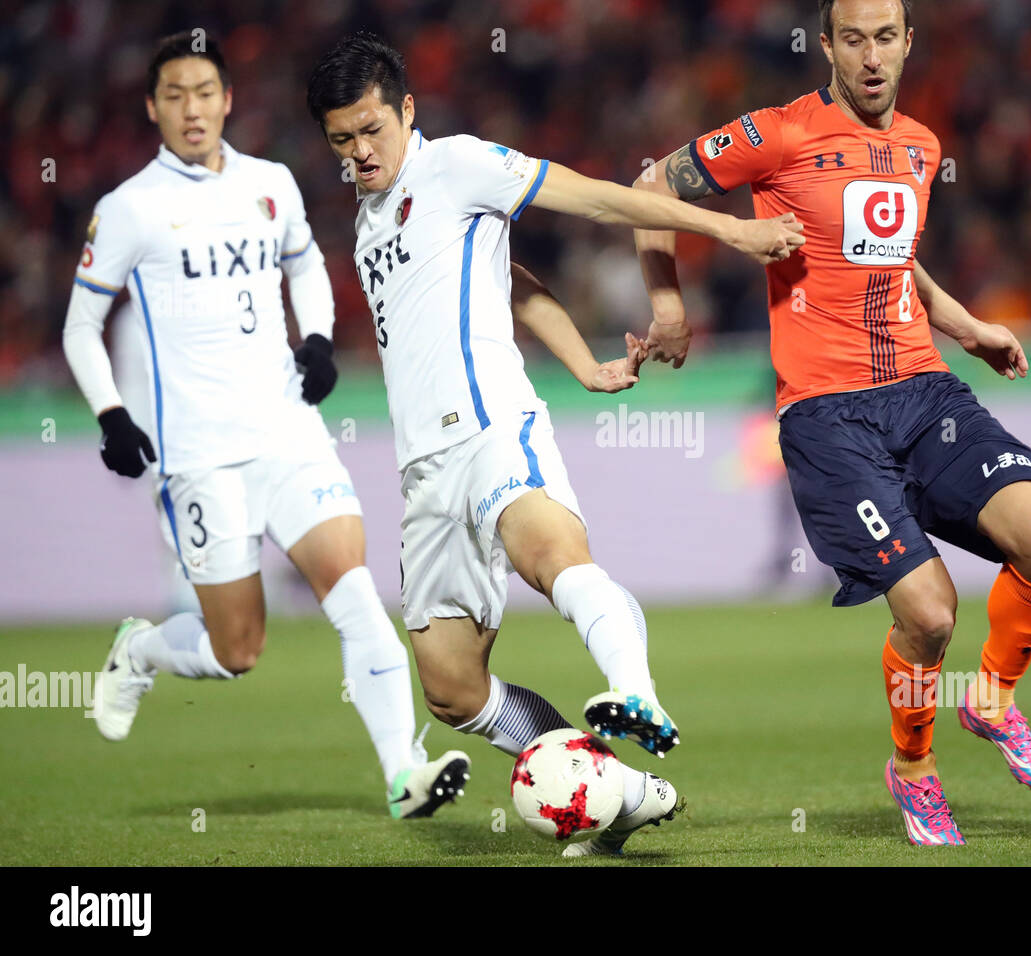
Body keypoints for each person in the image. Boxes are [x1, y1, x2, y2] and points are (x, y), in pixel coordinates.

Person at [305, 32, 804, 856]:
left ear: (407, 112)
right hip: (424, 473)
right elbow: (514, 283)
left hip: (494, 425)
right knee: (453, 691)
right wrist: (584, 363)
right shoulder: (367, 224)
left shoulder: (458, 164)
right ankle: (622, 793)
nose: (359, 152)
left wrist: (733, 235)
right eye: (341, 140)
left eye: (371, 130)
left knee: (551, 558)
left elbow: (604, 199)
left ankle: (638, 692)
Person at [630, 0, 1031, 845]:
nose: (872, 58)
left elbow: (893, 254)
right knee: (931, 615)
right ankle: (912, 770)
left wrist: (967, 326)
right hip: (829, 416)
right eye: (855, 40)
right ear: (826, 45)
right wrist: (666, 302)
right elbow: (650, 184)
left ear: (910, 44)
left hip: (925, 391)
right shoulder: (778, 134)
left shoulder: (921, 147)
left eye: (887, 39)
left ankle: (994, 699)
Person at [63, 32, 470, 821]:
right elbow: (82, 327)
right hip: (199, 456)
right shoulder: (127, 210)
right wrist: (112, 416)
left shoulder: (271, 183)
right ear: (153, 107)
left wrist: (315, 338)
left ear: (225, 100)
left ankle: (402, 774)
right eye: (175, 94)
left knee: (354, 593)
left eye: (205, 92)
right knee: (236, 650)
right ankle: (141, 649)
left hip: (287, 432)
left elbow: (306, 263)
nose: (192, 108)